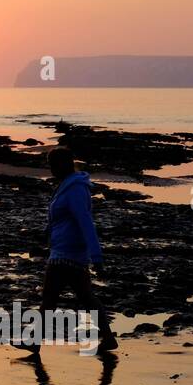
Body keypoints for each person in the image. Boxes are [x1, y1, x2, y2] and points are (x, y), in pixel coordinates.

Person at [18, 146, 118, 356]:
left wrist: (97, 257)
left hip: (67, 254)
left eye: (54, 165)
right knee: (84, 297)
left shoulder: (75, 189)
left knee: (52, 299)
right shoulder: (67, 186)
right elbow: (59, 217)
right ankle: (108, 338)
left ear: (66, 164)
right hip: (64, 251)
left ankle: (34, 342)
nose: (51, 169)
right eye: (50, 165)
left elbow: (85, 222)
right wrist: (46, 233)